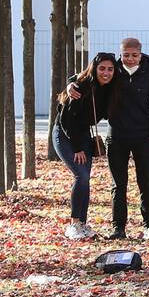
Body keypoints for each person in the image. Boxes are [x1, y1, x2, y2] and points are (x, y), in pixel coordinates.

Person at [67, 37, 149, 240]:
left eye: (134, 55)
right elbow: (85, 76)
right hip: (116, 137)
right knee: (118, 185)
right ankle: (118, 228)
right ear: (120, 54)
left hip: (142, 137)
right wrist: (70, 84)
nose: (130, 59)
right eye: (126, 55)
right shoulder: (112, 72)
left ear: (141, 54)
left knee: (145, 183)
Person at [53, 52, 117, 240]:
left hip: (83, 135)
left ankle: (82, 223)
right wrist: (76, 148)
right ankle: (73, 224)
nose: (106, 72)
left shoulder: (111, 87)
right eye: (102, 68)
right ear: (94, 68)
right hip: (66, 134)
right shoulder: (81, 87)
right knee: (80, 174)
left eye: (110, 69)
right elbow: (66, 119)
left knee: (85, 178)